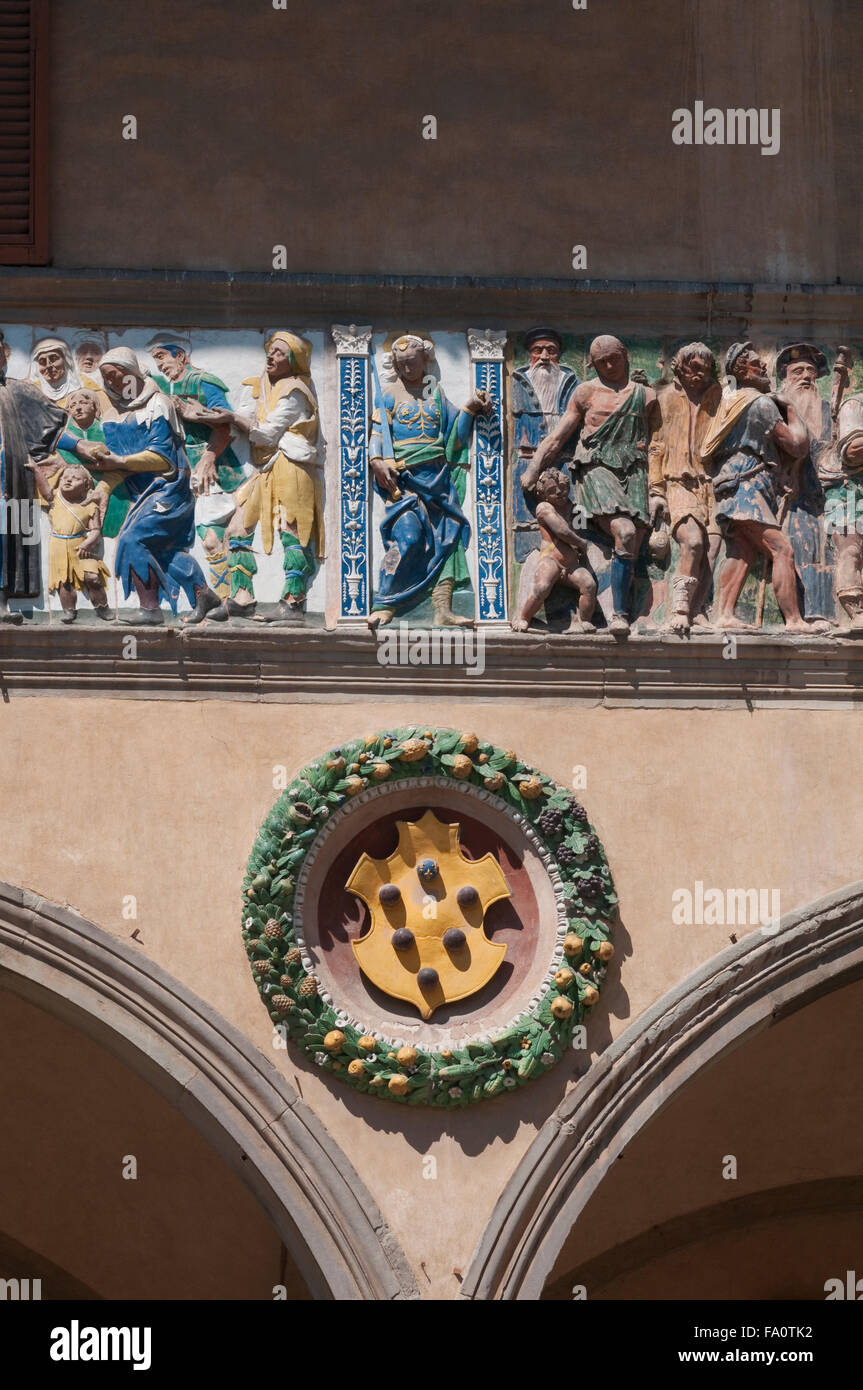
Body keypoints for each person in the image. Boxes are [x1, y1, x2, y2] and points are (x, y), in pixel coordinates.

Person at [62, 346, 221, 626]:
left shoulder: (157, 404)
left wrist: (119, 460)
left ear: (133, 373)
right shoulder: (113, 418)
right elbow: (117, 468)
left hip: (169, 487)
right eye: (107, 378)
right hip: (143, 493)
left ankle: (149, 610)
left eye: (116, 375)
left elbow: (161, 458)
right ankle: (203, 595)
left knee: (132, 539)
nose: (112, 382)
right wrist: (104, 490)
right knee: (162, 550)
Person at [522, 334, 658, 634]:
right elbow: (558, 436)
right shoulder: (586, 392)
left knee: (633, 542)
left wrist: (658, 489)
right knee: (624, 531)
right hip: (597, 471)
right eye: (600, 362)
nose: (609, 365)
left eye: (614, 358)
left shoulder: (646, 396)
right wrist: (533, 468)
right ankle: (620, 616)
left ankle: (620, 606)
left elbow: (658, 445)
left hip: (634, 474)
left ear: (626, 355)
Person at [197, 331, 324, 623]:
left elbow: (267, 434)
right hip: (265, 470)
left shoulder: (295, 391)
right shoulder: (264, 386)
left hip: (291, 468)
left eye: (281, 353)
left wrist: (230, 418)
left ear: (293, 362)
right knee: (236, 530)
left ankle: (293, 603)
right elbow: (241, 418)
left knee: (292, 532)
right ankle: (243, 599)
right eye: (271, 350)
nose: (272, 356)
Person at [367, 333, 491, 628]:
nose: (408, 369)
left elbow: (454, 437)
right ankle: (385, 602)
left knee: (447, 541)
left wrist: (471, 408)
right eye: (402, 364)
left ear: (425, 360)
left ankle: (442, 608)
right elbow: (377, 437)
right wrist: (376, 462)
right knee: (408, 538)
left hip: (437, 479)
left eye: (412, 362)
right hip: (405, 480)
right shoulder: (388, 394)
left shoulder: (435, 392)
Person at [702, 341, 827, 633]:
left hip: (734, 483)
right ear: (741, 370)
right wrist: (791, 410)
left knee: (743, 550)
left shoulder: (731, 403)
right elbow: (796, 446)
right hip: (747, 485)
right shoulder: (759, 403)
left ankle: (724, 614)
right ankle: (794, 621)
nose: (763, 367)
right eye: (756, 363)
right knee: (782, 550)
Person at [147, 332, 248, 610]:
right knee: (208, 538)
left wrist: (208, 458)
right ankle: (224, 600)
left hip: (215, 470)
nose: (160, 365)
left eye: (162, 357)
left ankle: (231, 599)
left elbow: (225, 424)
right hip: (190, 470)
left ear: (180, 355)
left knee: (214, 536)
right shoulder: (170, 386)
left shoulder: (203, 380)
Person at [648, 342, 723, 633]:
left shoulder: (718, 399)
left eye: (704, 369)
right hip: (677, 482)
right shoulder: (665, 398)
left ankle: (698, 610)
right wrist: (656, 490)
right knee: (693, 542)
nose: (698, 375)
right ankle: (679, 609)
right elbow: (655, 445)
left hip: (712, 483)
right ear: (679, 368)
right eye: (693, 368)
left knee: (712, 549)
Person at [0, 330, 68, 623]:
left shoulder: (15, 391)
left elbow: (53, 425)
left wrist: (80, 446)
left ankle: (2, 603)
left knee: (7, 536)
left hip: (11, 482)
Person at [775, 343, 834, 624]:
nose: (806, 376)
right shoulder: (776, 409)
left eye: (811, 371)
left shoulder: (827, 410)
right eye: (797, 371)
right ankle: (806, 614)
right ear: (785, 378)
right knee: (801, 542)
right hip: (791, 496)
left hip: (829, 495)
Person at [510, 328, 580, 565]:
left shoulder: (571, 382)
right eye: (537, 350)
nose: (544, 357)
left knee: (573, 515)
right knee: (528, 523)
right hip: (526, 461)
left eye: (551, 351)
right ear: (530, 354)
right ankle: (532, 562)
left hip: (566, 463)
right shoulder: (518, 380)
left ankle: (577, 554)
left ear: (558, 355)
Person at [511, 467, 596, 633]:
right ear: (543, 495)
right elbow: (562, 531)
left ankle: (585, 620)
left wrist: (583, 507)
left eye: (563, 488)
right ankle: (523, 618)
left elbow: (581, 528)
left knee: (589, 585)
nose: (559, 492)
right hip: (551, 560)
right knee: (542, 587)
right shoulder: (544, 508)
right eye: (552, 491)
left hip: (571, 564)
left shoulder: (574, 508)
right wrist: (581, 543)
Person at [29, 460, 112, 623]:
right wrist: (35, 468)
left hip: (81, 546)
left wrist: (87, 543)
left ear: (86, 485)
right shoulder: (55, 500)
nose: (68, 480)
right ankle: (69, 611)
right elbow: (44, 486)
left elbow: (95, 530)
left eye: (75, 478)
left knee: (92, 577)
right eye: (65, 477)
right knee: (63, 581)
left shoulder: (90, 506)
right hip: (59, 546)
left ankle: (102, 606)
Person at [819, 368, 863, 631]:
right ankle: (855, 610)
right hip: (847, 492)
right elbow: (853, 451)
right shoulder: (854, 405)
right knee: (852, 549)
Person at [29, 337, 80, 408]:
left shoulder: (85, 385)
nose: (48, 366)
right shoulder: (31, 392)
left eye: (54, 359)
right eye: (42, 361)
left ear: (66, 361)